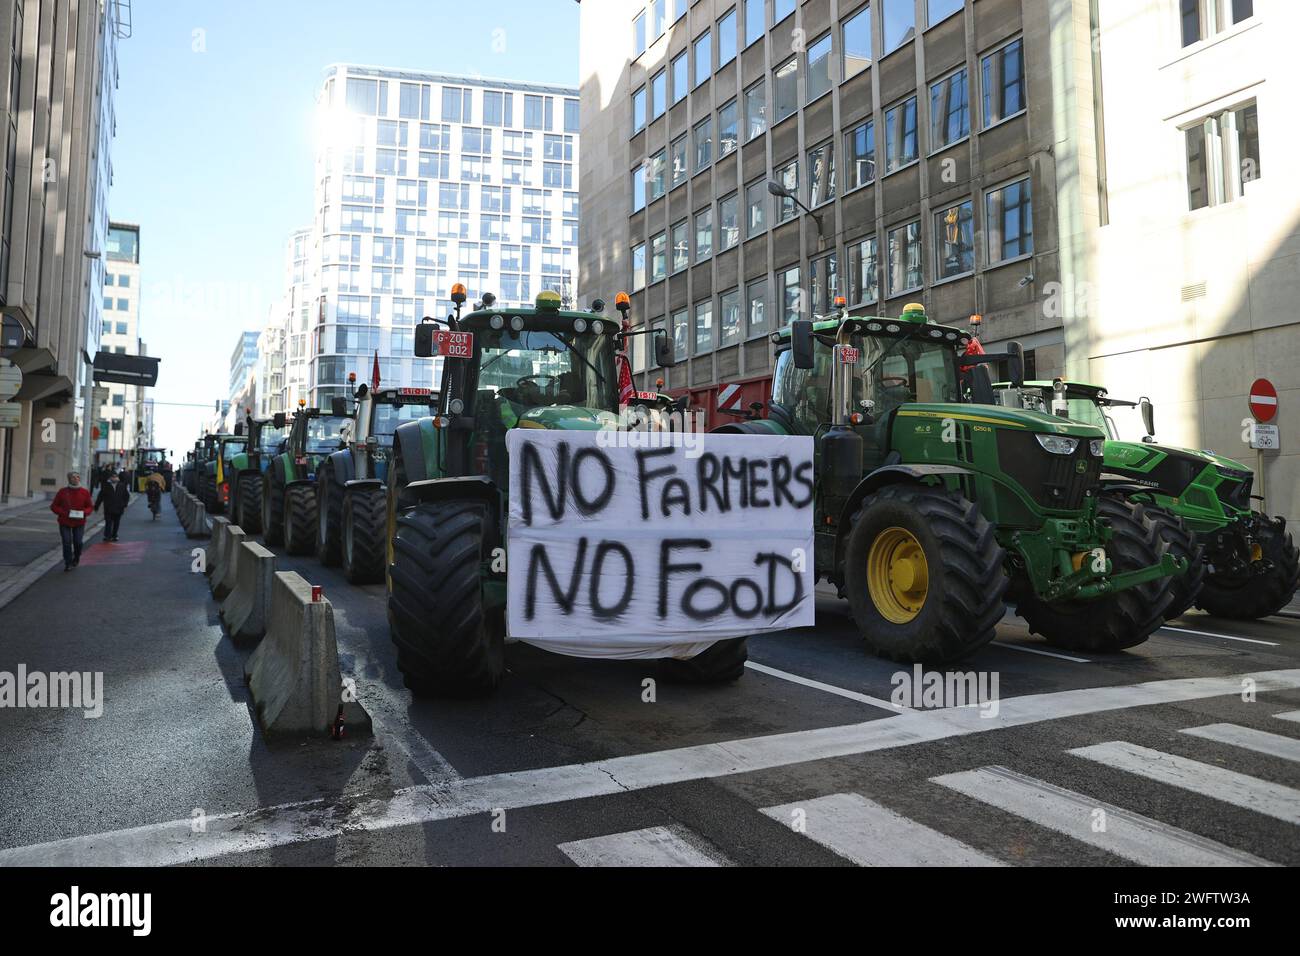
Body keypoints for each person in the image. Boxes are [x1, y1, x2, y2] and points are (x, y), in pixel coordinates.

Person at [51, 471, 94, 571]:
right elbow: (54, 506)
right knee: (66, 542)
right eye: (73, 477)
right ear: (69, 479)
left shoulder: (85, 492)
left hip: (79, 522)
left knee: (78, 542)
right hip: (65, 521)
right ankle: (68, 562)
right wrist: (64, 512)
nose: (75, 479)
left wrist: (84, 512)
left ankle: (77, 557)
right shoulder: (62, 492)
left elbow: (90, 507)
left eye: (77, 477)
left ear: (79, 479)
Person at [94, 469, 130, 542]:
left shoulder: (122, 485)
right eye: (112, 477)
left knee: (116, 523)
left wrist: (124, 504)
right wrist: (96, 506)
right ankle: (107, 536)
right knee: (108, 522)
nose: (114, 478)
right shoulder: (106, 486)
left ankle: (114, 535)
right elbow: (100, 496)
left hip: (119, 507)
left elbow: (126, 496)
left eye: (115, 476)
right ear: (110, 478)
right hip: (108, 507)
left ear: (117, 478)